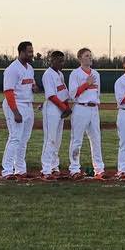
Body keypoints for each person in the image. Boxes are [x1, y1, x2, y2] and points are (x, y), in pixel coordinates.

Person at [66, 48, 105, 180]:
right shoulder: (75, 74)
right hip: (81, 107)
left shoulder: (96, 74)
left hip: (93, 108)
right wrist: (86, 84)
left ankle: (99, 169)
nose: (90, 57)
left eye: (90, 55)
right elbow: (72, 94)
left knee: (96, 140)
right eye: (86, 56)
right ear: (80, 58)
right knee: (77, 140)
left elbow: (97, 93)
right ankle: (74, 169)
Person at [1, 41, 37, 180]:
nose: (32, 54)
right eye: (29, 52)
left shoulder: (30, 68)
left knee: (24, 139)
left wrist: (34, 87)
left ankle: (20, 169)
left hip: (28, 104)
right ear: (21, 52)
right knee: (15, 137)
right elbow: (8, 92)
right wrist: (15, 111)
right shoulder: (12, 69)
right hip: (16, 104)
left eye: (32, 51)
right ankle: (7, 170)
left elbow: (32, 84)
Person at [39, 50, 72, 180]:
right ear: (51, 61)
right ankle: (46, 169)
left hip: (60, 108)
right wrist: (64, 108)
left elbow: (63, 93)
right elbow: (51, 95)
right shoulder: (48, 74)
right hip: (52, 108)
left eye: (62, 60)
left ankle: (54, 167)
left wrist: (66, 107)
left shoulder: (60, 74)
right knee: (50, 139)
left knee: (57, 140)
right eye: (59, 60)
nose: (61, 63)